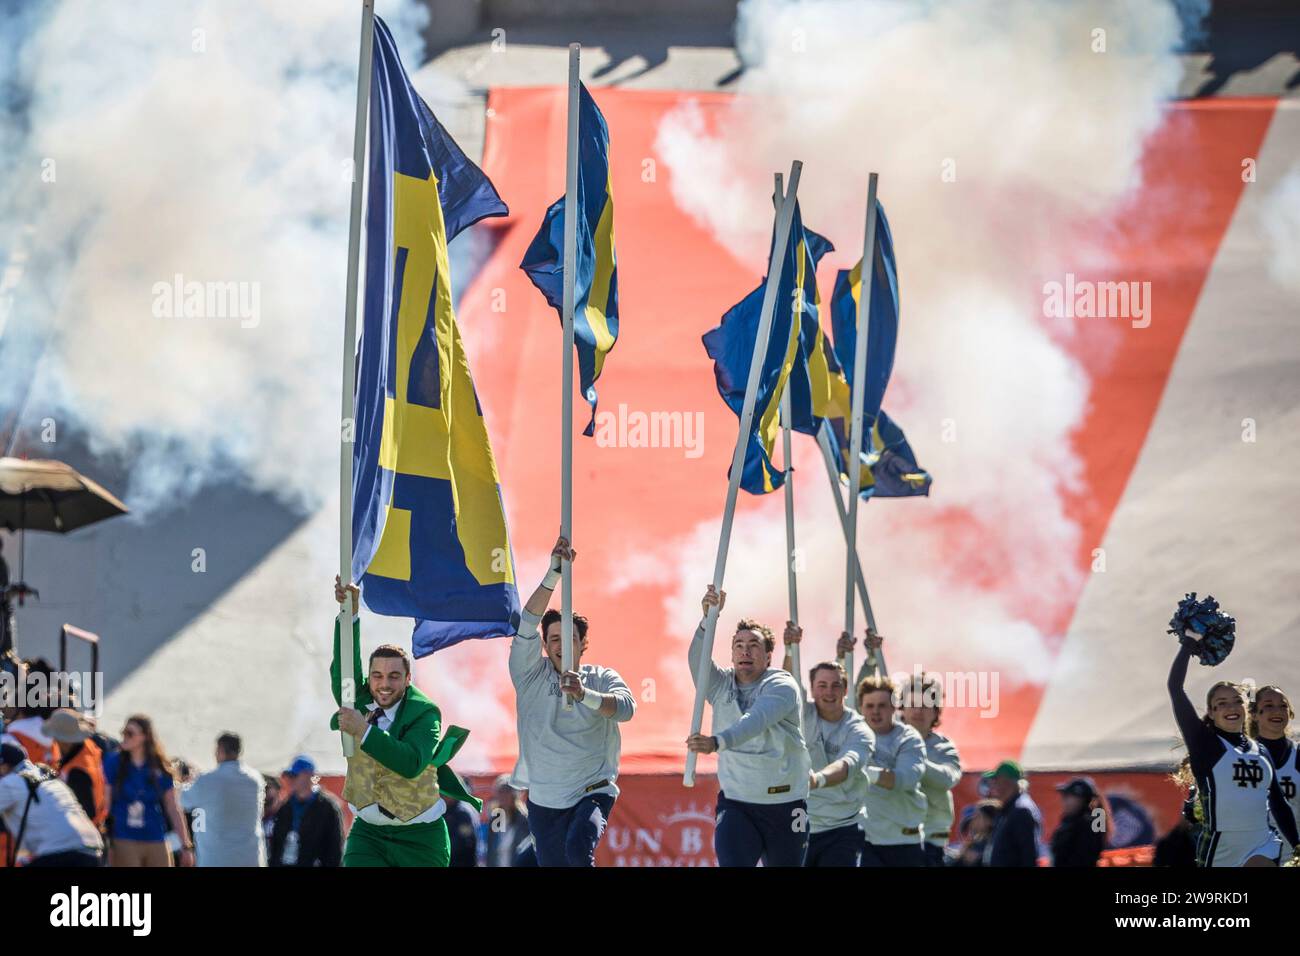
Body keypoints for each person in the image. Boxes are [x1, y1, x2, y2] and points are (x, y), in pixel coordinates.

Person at [331, 578, 482, 867]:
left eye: (394, 676)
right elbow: (345, 673)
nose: (384, 684)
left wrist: (364, 731)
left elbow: (411, 762)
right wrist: (348, 614)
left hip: (420, 837)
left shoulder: (425, 713)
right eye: (377, 676)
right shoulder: (359, 701)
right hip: (369, 833)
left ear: (408, 679)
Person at [508, 537, 636, 867]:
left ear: (584, 644)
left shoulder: (601, 677)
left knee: (579, 852)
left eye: (570, 639)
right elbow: (526, 622)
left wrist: (584, 695)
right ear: (545, 644)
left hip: (592, 789)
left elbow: (625, 709)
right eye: (554, 639)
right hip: (544, 798)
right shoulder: (529, 676)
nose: (562, 646)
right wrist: (553, 574)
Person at [687, 586, 810, 867]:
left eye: (754, 645)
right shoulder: (720, 686)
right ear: (731, 654)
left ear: (768, 657)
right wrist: (708, 620)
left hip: (787, 805)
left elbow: (756, 721)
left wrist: (717, 742)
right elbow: (697, 661)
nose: (745, 651)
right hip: (737, 803)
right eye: (739, 645)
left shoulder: (782, 685)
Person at [1168, 635, 1298, 866]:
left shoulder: (1261, 750)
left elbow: (1279, 804)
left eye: (1236, 701)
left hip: (1262, 841)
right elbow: (1175, 688)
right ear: (1212, 712)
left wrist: (1297, 846)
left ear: (1246, 708)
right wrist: (1188, 643)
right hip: (1223, 847)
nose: (1230, 707)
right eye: (1221, 703)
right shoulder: (1206, 744)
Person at [780, 624, 873, 867]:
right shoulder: (802, 714)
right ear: (812, 689)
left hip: (843, 824)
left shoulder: (858, 728)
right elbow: (787, 684)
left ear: (845, 690)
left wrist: (817, 780)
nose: (829, 692)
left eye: (835, 686)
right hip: (800, 819)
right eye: (822, 686)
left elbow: (847, 764)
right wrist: (790, 649)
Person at [854, 672, 927, 866]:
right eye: (869, 706)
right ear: (861, 708)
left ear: (894, 707)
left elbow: (905, 779)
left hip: (904, 840)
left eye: (882, 705)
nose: (875, 712)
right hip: (867, 841)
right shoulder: (852, 735)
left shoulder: (909, 738)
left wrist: (860, 771)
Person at [103, 714, 193, 867]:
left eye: (129, 733)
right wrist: (106, 840)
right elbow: (105, 803)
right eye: (123, 732)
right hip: (124, 838)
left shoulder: (159, 767)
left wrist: (186, 846)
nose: (124, 737)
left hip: (155, 837)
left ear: (144, 736)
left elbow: (173, 808)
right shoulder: (113, 762)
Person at [0, 742, 103, 867]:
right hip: (93, 851)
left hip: (60, 854)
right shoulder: (49, 778)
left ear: (4, 767)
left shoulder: (10, 783)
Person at [898, 672, 963, 866]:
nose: (918, 710)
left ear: (935, 712)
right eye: (914, 703)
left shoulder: (944, 747)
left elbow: (948, 778)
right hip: (888, 839)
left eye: (926, 705)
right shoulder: (886, 740)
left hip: (928, 842)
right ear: (902, 707)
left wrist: (917, 762)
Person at [179, 732, 265, 866]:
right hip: (249, 858)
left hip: (216, 859)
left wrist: (183, 781)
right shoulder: (255, 779)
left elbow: (182, 800)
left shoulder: (208, 780)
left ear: (220, 750)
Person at [1249, 685, 1299, 861]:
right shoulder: (1243, 757)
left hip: (1294, 856)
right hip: (1252, 856)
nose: (1277, 711)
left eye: (1283, 705)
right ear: (1254, 715)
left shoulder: (1297, 754)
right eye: (1269, 705)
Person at [269, 755, 344, 867]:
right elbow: (276, 844)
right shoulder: (285, 806)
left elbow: (334, 847)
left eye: (294, 775)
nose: (290, 780)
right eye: (289, 776)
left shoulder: (328, 808)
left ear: (308, 776)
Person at [44, 708, 107, 831]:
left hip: (82, 835)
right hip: (96, 828)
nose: (54, 741)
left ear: (65, 741)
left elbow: (86, 812)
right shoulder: (88, 746)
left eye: (55, 738)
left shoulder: (77, 773)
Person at [984, 760, 1042, 866]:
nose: (993, 785)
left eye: (996, 780)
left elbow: (1029, 856)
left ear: (1007, 782)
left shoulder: (1021, 810)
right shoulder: (1009, 809)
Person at [1049, 776, 1106, 866]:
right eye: (1064, 796)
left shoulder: (1090, 824)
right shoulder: (1068, 821)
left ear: (1082, 800)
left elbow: (1084, 858)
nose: (1064, 801)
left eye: (1069, 796)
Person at [484, 773, 533, 867]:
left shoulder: (524, 820)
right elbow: (491, 851)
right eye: (500, 792)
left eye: (507, 791)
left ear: (514, 795)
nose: (503, 796)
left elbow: (526, 850)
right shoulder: (495, 819)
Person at [950, 798, 1000, 867]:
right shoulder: (977, 842)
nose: (974, 819)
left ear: (989, 821)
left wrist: (979, 858)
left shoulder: (996, 843)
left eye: (978, 816)